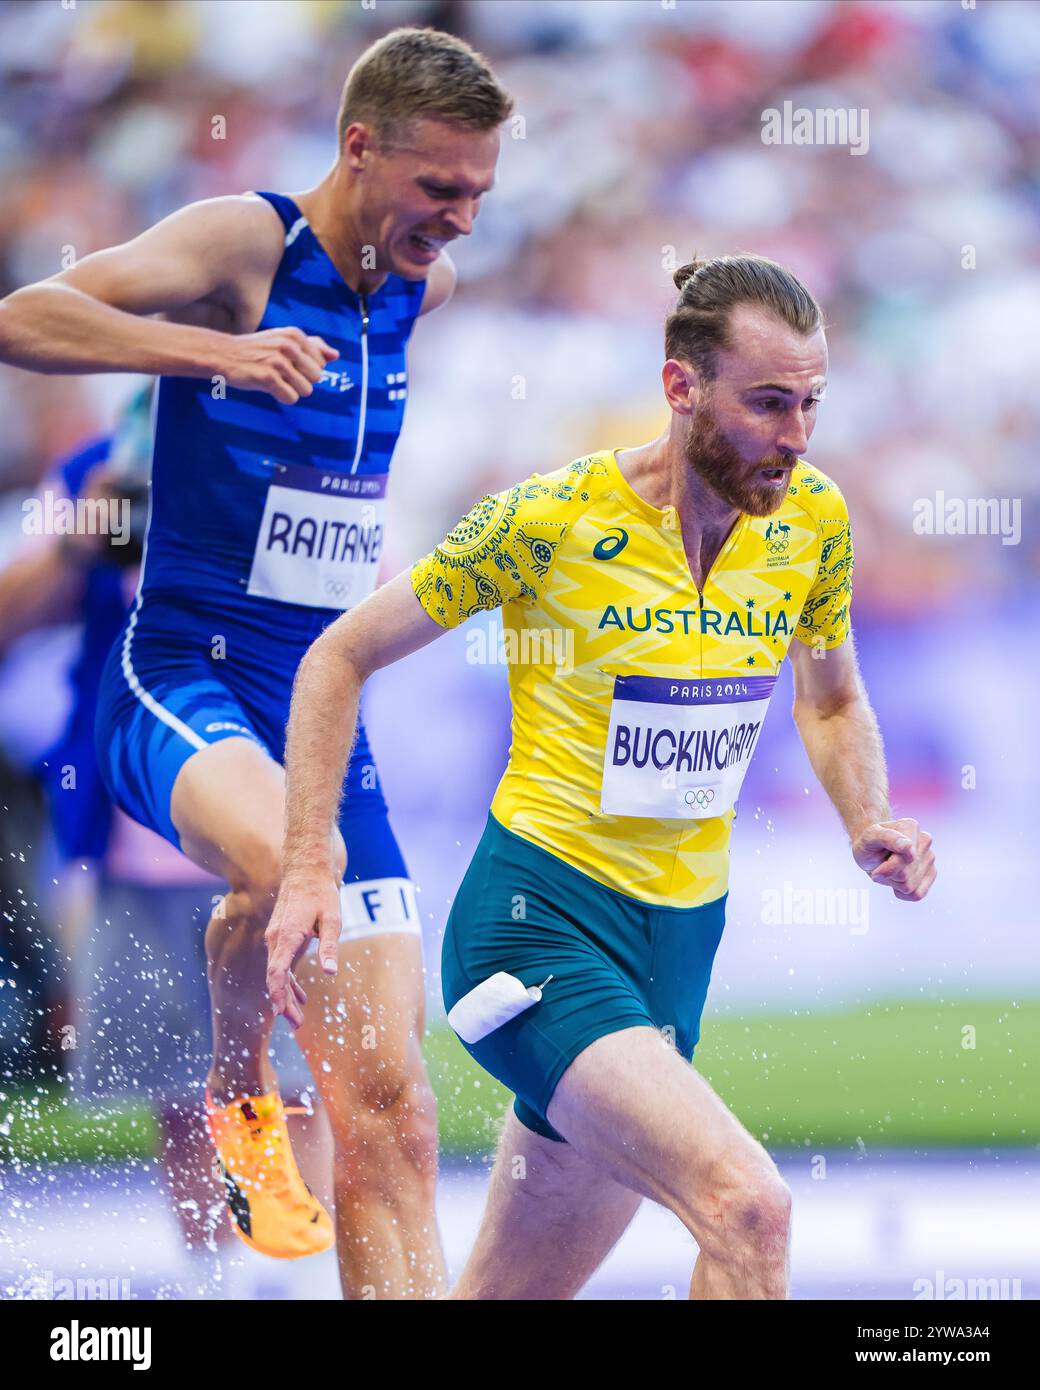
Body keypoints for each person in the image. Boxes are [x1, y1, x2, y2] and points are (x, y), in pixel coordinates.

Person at [267, 253, 937, 1301]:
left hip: (675, 946)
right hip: (534, 925)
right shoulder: (546, 521)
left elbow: (831, 697)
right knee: (748, 1209)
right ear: (680, 387)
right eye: (767, 404)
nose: (796, 435)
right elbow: (336, 655)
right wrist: (309, 855)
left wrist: (867, 818)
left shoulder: (812, 521)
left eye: (809, 402)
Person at [0, 25, 512, 1299]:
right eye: (438, 187)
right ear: (358, 146)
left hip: (324, 704)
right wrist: (217, 352)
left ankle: (280, 1140)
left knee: (392, 1095)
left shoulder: (419, 286)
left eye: (479, 194)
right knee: (298, 859)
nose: (458, 221)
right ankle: (236, 1094)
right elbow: (25, 317)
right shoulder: (245, 243)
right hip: (180, 675)